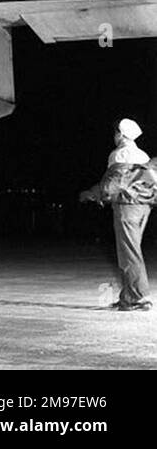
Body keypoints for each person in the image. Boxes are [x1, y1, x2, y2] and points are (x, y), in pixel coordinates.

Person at [81, 126, 157, 312]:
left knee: (128, 253)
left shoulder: (119, 154)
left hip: (127, 207)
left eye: (115, 133)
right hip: (143, 207)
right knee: (131, 250)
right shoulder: (142, 154)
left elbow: (113, 183)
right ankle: (129, 297)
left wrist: (92, 194)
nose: (114, 137)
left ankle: (139, 298)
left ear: (121, 134)